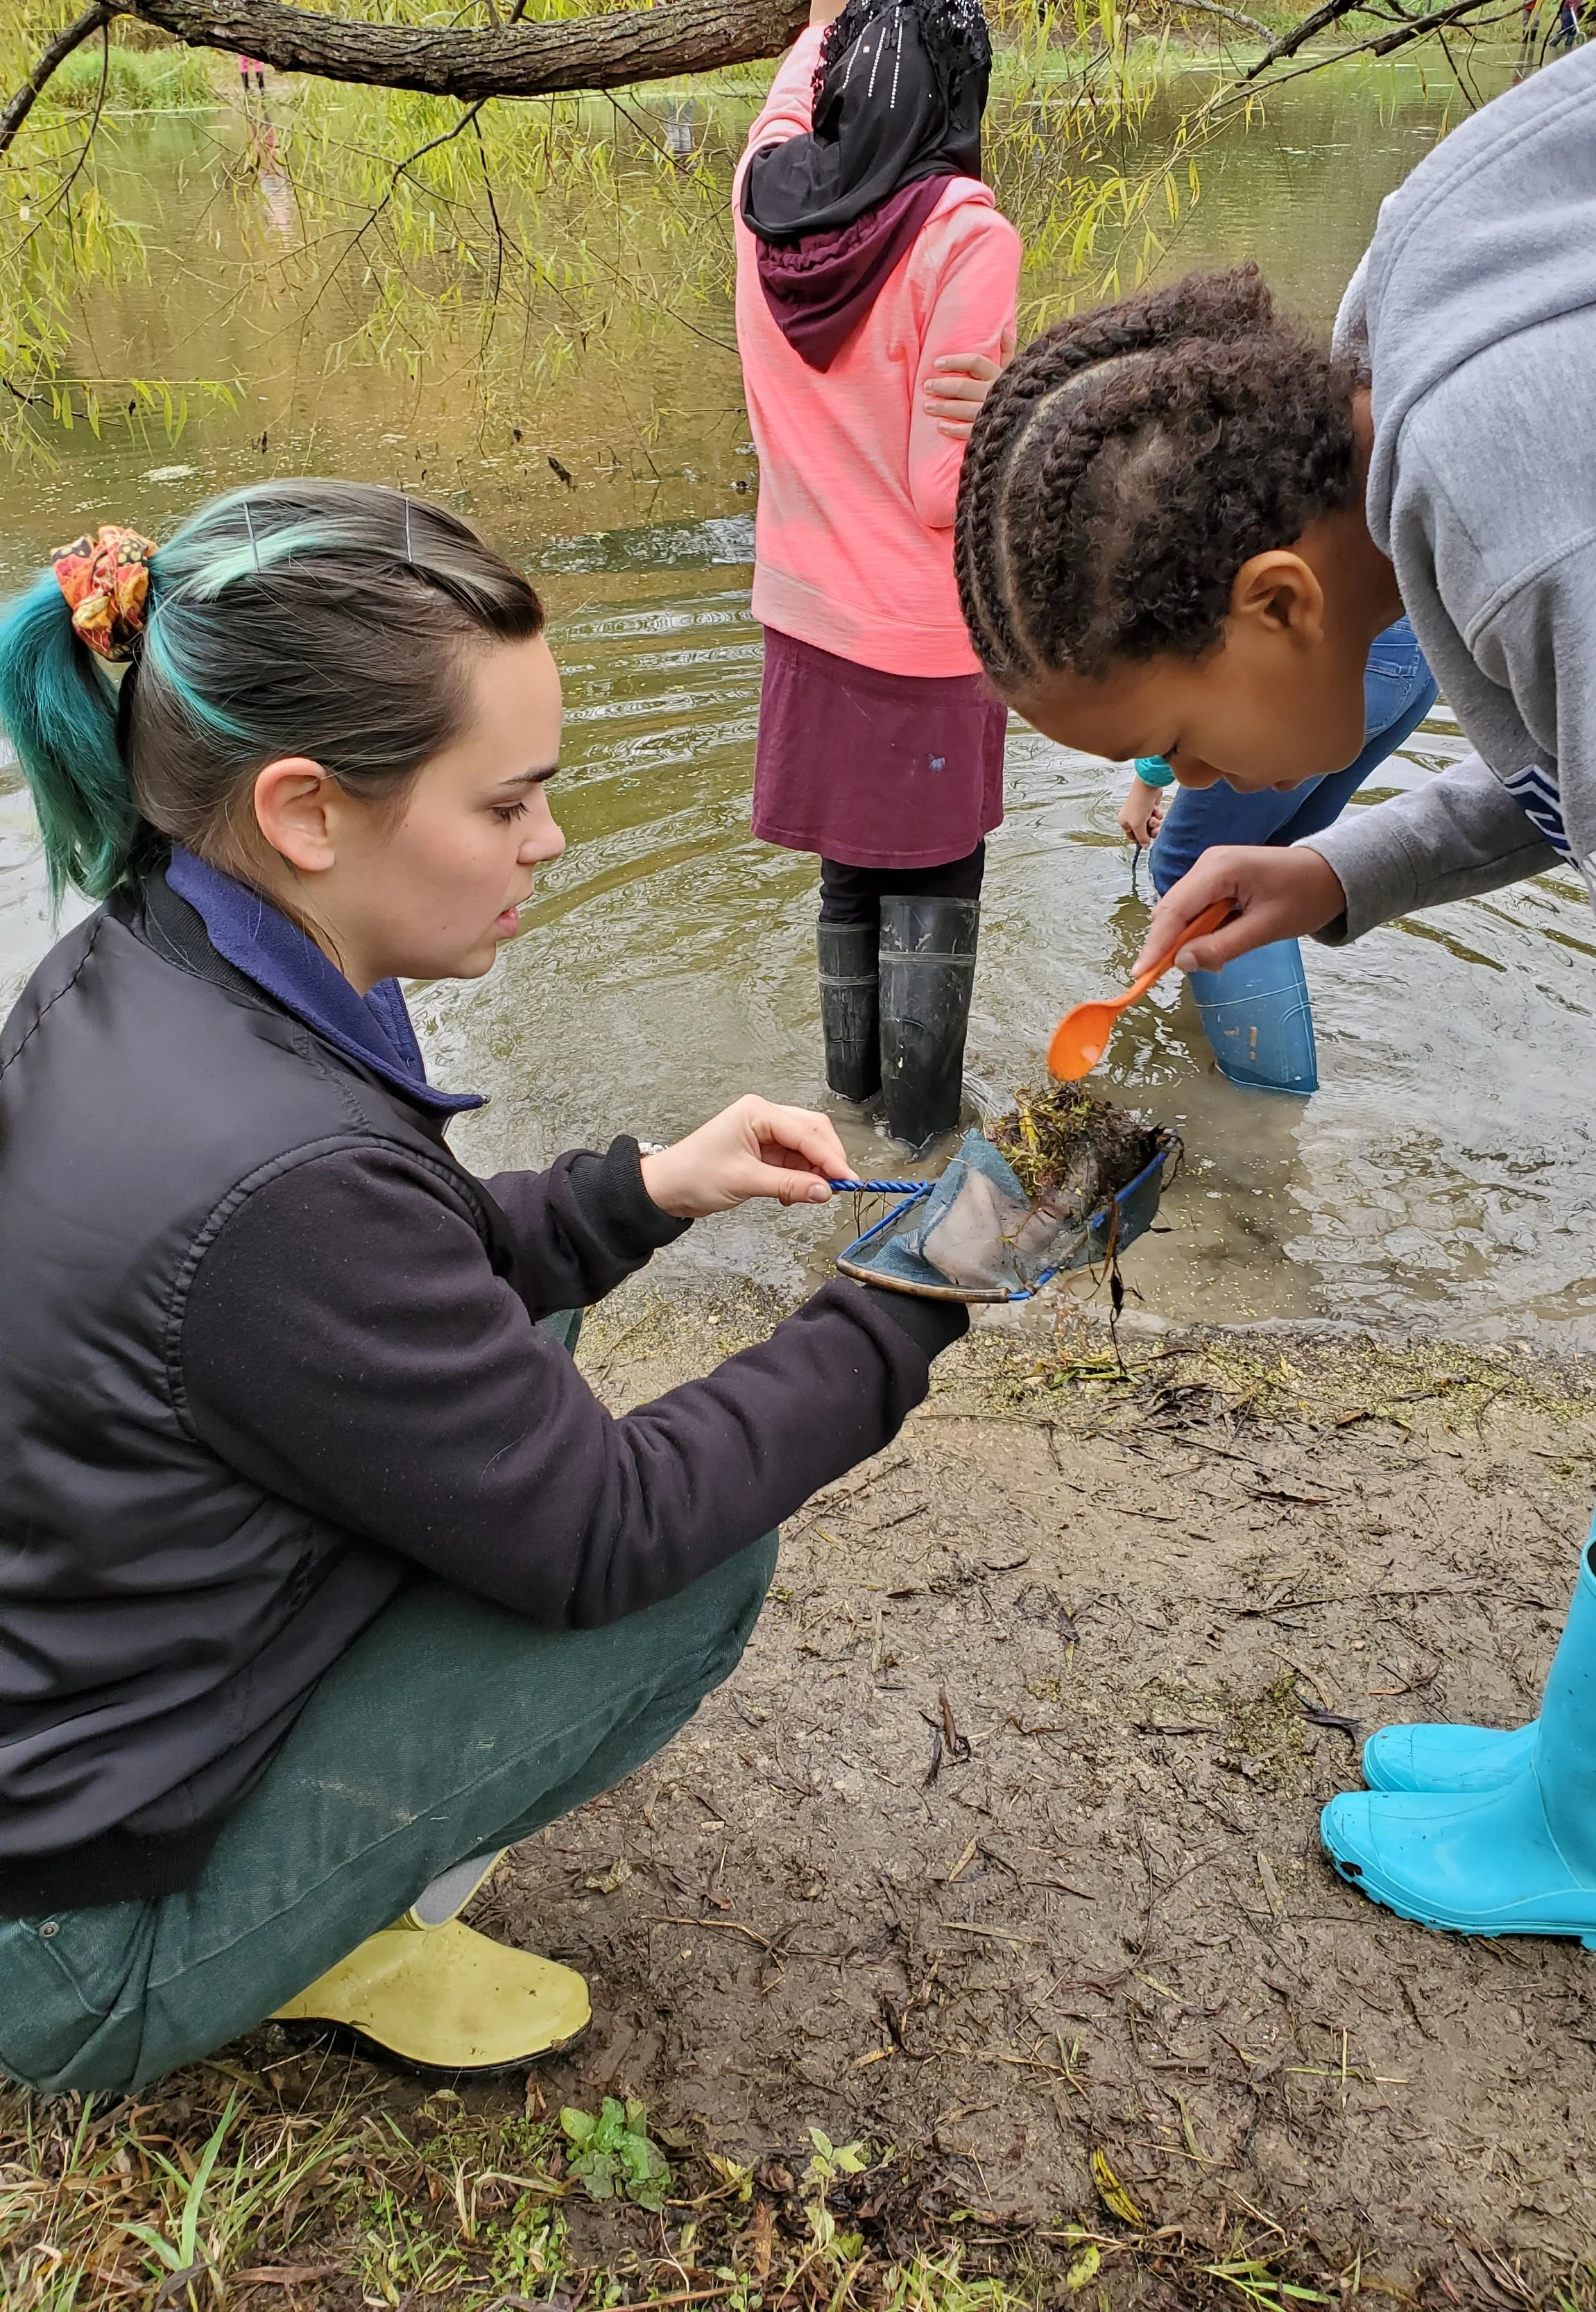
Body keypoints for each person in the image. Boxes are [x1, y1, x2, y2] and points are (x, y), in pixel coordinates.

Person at [0, 482, 969, 2097]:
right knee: (686, 1575)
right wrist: (917, 1293)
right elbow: (610, 1529)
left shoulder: (146, 953)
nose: (550, 841)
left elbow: (387, 1262)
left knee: (521, 1318)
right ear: (311, 812)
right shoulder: (286, 1185)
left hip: (69, 1703)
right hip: (70, 1948)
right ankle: (313, 1932)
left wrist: (648, 1185)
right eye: (506, 805)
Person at [952, 20, 1596, 1954]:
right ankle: (1588, 1754)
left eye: (1189, 745)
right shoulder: (1413, 382)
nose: (1192, 789)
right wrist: (1331, 862)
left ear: (1277, 603)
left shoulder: (1524, 485)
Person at [735, 0, 1022, 1149]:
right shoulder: (965, 236)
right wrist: (1022, 416)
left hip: (804, 619)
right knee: (939, 881)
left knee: (851, 875)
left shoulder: (765, 207)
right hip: (923, 634)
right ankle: (925, 1139)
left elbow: (783, 110)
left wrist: (824, 24)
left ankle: (846, 1121)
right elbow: (941, 493)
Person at [1119, 622, 1435, 1093]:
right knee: (1268, 866)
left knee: (1187, 867)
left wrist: (1148, 779)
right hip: (1413, 653)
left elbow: (1197, 645)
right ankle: (1261, 1086)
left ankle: (1258, 1094)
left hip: (1327, 659)